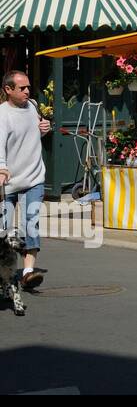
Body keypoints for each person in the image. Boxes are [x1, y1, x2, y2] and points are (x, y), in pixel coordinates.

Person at [0, 70, 52, 291]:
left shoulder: (32, 106)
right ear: (8, 90)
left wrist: (44, 128)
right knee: (4, 230)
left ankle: (29, 272)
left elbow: (32, 134)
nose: (27, 91)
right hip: (8, 181)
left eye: (28, 87)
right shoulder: (2, 115)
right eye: (22, 88)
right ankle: (6, 271)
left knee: (31, 222)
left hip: (33, 176)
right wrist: (1, 168)